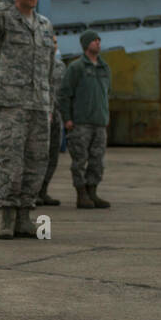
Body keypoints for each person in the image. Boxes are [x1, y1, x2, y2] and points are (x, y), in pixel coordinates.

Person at [0, 0, 56, 239]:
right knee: (11, 160)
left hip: (39, 105)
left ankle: (25, 216)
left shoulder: (45, 25)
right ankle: (7, 217)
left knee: (36, 161)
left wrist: (50, 104)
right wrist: (9, 1)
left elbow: (49, 69)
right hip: (12, 104)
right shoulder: (6, 19)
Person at [59, 31, 111, 209]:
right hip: (81, 123)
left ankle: (92, 191)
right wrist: (67, 118)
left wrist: (105, 115)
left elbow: (106, 93)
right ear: (85, 44)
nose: (98, 43)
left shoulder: (104, 67)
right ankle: (81, 194)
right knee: (80, 160)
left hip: (99, 122)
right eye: (94, 41)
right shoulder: (76, 68)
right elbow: (65, 95)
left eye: (99, 40)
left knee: (97, 160)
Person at [38, 37, 65, 206]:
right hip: (40, 115)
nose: (54, 46)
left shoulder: (61, 66)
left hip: (56, 115)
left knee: (52, 155)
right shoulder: (37, 63)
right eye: (50, 42)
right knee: (37, 156)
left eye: (56, 43)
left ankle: (43, 190)